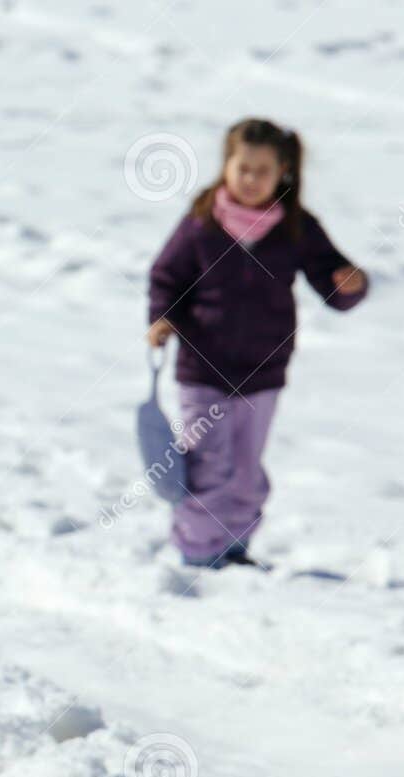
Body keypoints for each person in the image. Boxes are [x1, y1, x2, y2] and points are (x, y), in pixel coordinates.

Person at [147, 117, 368, 568]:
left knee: (246, 469)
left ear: (282, 172)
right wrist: (162, 319)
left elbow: (330, 275)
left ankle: (235, 547)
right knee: (210, 466)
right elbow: (167, 278)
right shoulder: (201, 224)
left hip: (263, 370)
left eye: (262, 171)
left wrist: (348, 285)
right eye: (241, 168)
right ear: (226, 165)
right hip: (203, 368)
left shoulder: (295, 227)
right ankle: (197, 552)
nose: (250, 180)